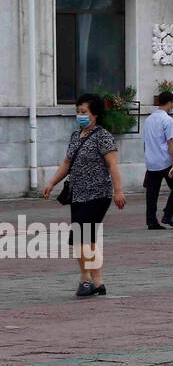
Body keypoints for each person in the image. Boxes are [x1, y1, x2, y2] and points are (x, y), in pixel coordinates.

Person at [41, 94, 126, 297]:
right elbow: (67, 163)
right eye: (78, 112)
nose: (80, 115)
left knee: (79, 237)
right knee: (87, 239)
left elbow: (113, 164)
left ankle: (87, 279)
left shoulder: (102, 136)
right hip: (78, 194)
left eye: (84, 112)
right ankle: (95, 281)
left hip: (98, 194)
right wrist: (52, 182)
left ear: (95, 114)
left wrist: (119, 190)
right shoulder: (75, 136)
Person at [142, 92, 173, 229]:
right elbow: (170, 141)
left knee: (152, 193)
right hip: (165, 161)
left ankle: (151, 220)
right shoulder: (167, 120)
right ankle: (167, 213)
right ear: (171, 102)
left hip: (151, 161)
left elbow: (145, 141)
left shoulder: (148, 119)